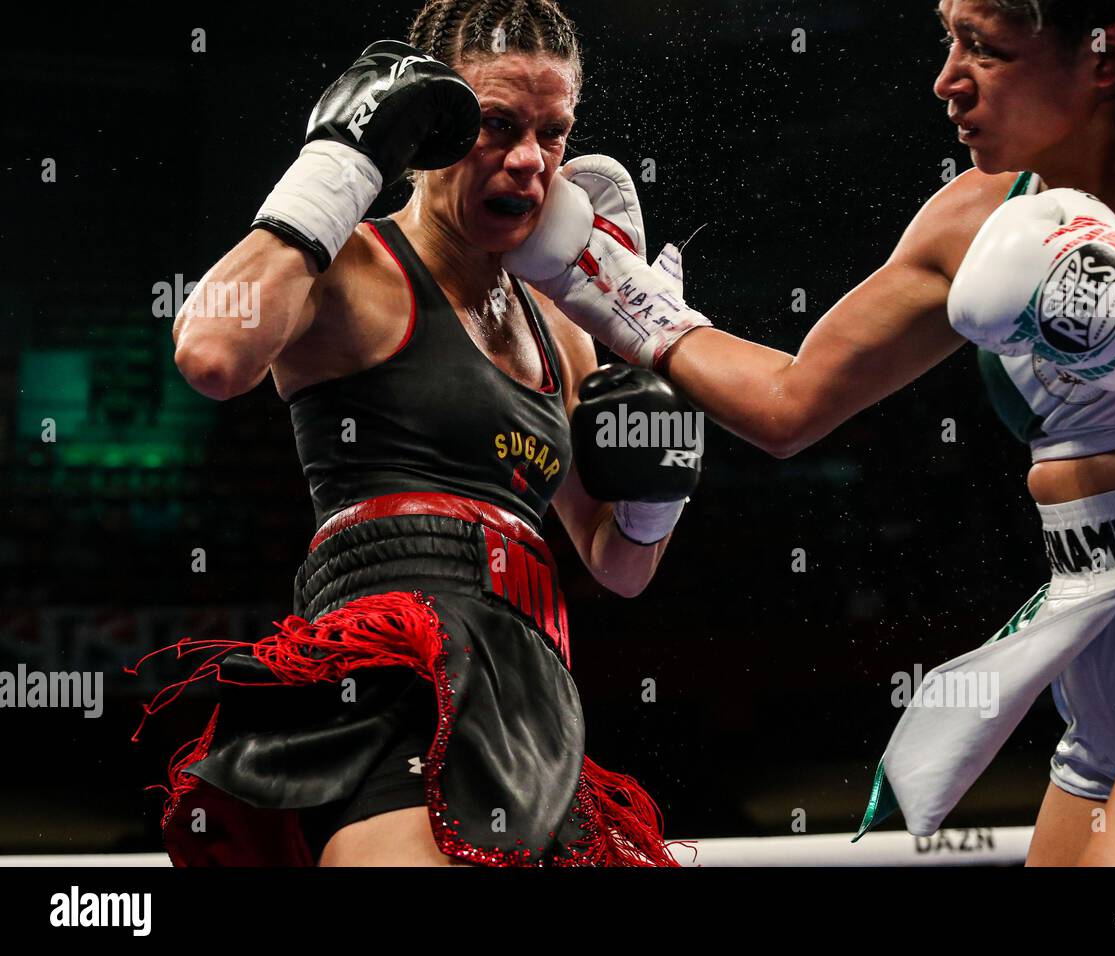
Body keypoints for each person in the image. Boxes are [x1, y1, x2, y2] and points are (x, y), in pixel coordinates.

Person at [504, 0, 1115, 865]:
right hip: (1097, 628)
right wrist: (596, 274)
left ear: (1103, 57)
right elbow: (788, 404)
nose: (947, 81)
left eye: (985, 50)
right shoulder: (974, 218)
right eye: (948, 40)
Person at [140, 0, 702, 867]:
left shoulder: (564, 330)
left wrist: (659, 478)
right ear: (432, 125)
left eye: (552, 134)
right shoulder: (354, 265)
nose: (528, 160)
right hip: (387, 676)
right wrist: (337, 165)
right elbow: (212, 351)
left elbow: (620, 565)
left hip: (531, 699)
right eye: (497, 125)